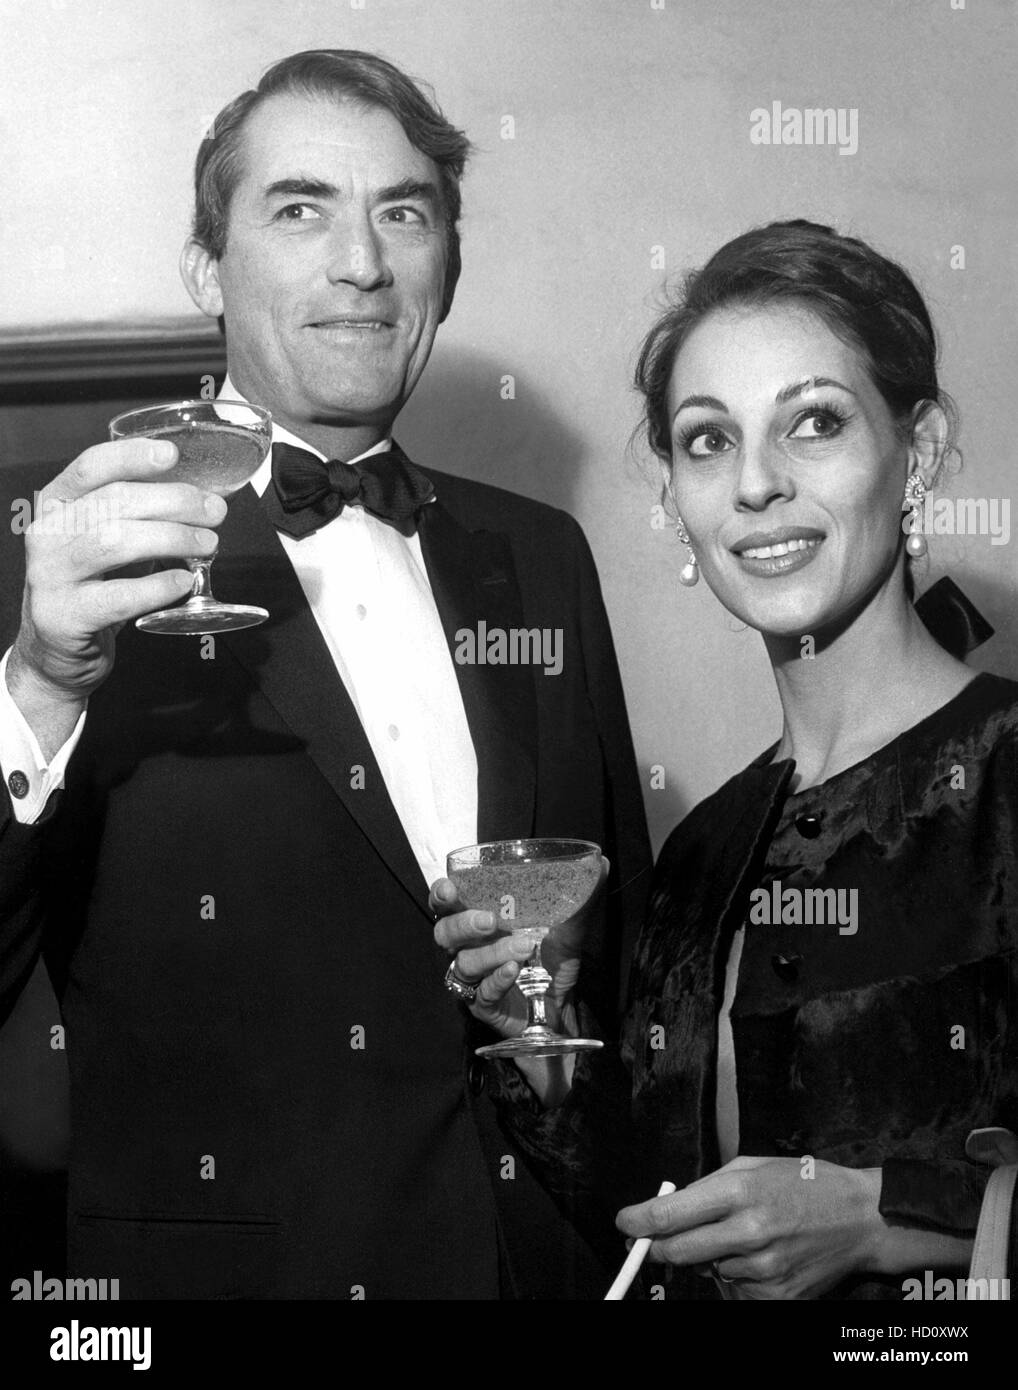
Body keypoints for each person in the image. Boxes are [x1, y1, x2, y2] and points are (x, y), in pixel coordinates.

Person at [0, 49, 651, 1300]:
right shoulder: (73, 553)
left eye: (402, 212)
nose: (363, 260)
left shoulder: (539, 555)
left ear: (447, 266)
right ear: (206, 266)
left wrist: (559, 985)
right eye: (300, 208)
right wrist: (39, 679)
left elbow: (617, 950)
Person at [438, 220, 1018, 1299]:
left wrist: (893, 1216)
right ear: (674, 502)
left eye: (813, 423)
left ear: (920, 454)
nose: (755, 484)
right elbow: (659, 1222)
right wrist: (538, 1037)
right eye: (708, 440)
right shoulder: (703, 849)